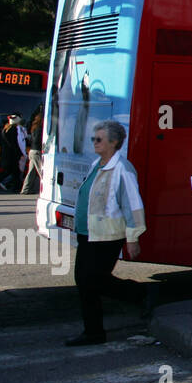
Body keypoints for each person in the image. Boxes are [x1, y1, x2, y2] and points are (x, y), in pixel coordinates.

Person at [65, 120, 145, 345]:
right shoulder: (97, 164)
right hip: (88, 233)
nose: (95, 142)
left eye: (99, 139)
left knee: (93, 280)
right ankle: (96, 329)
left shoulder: (122, 168)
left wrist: (133, 237)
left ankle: (139, 296)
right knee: (85, 281)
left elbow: (133, 205)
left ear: (114, 142)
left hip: (107, 235)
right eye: (94, 138)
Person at [0, 114, 23, 191]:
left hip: (7, 154)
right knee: (12, 171)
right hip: (12, 154)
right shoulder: (13, 129)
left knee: (15, 172)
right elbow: (14, 143)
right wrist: (20, 153)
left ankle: (17, 187)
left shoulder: (5, 129)